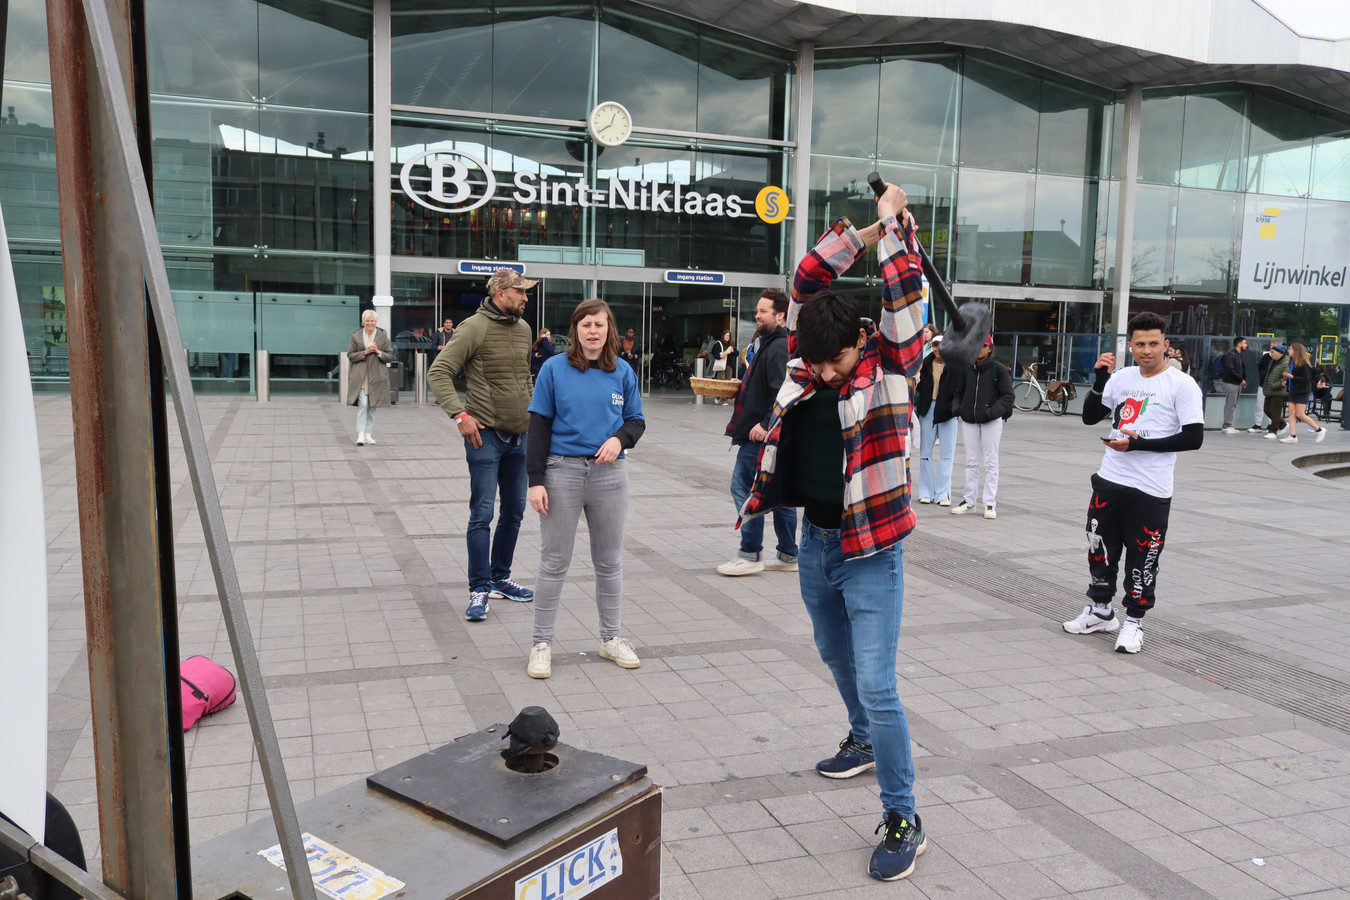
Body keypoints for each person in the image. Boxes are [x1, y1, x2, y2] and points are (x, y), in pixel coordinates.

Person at [738, 182, 928, 882]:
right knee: (831, 653)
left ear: (860, 340)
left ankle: (904, 815)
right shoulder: (807, 348)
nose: (820, 373)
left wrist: (896, 231)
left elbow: (906, 298)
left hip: (873, 551)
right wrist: (868, 234)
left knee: (880, 685)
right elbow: (809, 277)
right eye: (812, 363)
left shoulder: (891, 364)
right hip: (817, 545)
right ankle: (862, 736)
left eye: (834, 363)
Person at [1063, 311, 1204, 654]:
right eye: (1140, 344)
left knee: (1144, 558)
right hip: (1110, 479)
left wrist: (1138, 444)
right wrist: (1099, 379)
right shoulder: (1122, 377)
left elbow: (1193, 438)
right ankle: (1100, 612)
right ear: (1130, 345)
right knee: (1099, 547)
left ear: (1166, 345)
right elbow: (1089, 417)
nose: (1147, 350)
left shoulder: (1181, 385)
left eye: (1154, 343)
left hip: (1150, 489)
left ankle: (1134, 622)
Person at [524, 299, 646, 679]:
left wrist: (619, 439)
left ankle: (611, 639)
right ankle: (541, 644)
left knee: (609, 562)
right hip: (561, 472)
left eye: (600, 324)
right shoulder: (553, 369)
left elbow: (636, 421)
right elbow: (538, 426)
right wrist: (535, 481)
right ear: (575, 330)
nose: (593, 331)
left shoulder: (623, 372)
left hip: (610, 475)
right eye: (585, 324)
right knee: (554, 562)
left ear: (609, 329)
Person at [427, 267, 537, 622]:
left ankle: (500, 578)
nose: (525, 298)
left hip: (520, 438)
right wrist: (460, 416)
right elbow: (438, 372)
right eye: (521, 292)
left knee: (515, 512)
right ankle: (479, 588)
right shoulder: (473, 327)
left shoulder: (524, 329)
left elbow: (525, 378)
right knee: (482, 515)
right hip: (485, 437)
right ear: (501, 293)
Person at [716, 288, 798, 577]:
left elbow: (782, 390)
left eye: (763, 311)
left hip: (762, 437)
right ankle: (788, 555)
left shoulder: (777, 346)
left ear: (781, 315)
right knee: (779, 496)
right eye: (758, 310)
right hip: (773, 436)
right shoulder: (774, 343)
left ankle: (750, 553)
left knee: (745, 490)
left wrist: (764, 424)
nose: (757, 315)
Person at [949, 335, 1014, 519]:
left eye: (983, 346)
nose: (979, 349)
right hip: (969, 419)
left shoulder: (998, 369)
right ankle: (969, 501)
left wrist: (992, 413)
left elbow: (1008, 396)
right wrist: (958, 409)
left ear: (990, 348)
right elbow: (958, 392)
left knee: (991, 461)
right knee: (971, 461)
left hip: (991, 421)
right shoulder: (967, 369)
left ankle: (989, 503)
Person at [914, 335, 959, 506]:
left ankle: (942, 494)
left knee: (947, 454)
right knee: (925, 453)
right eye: (934, 345)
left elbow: (960, 388)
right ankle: (925, 491)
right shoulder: (924, 364)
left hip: (947, 411)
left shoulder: (956, 366)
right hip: (927, 409)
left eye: (941, 345)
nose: (937, 349)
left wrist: (955, 407)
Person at [345, 310, 392, 446]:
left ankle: (368, 434)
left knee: (372, 406)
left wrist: (378, 352)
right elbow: (350, 355)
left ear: (375, 322)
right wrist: (365, 352)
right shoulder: (356, 336)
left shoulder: (382, 336)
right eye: (367, 321)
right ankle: (360, 435)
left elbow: (389, 356)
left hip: (377, 376)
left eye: (372, 321)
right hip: (361, 376)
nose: (370, 323)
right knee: (363, 404)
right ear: (363, 322)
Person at [1282, 343, 1326, 444]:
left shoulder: (1303, 364)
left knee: (1300, 414)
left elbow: (1306, 379)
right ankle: (1292, 436)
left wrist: (1291, 377)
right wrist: (1287, 381)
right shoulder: (1292, 362)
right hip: (1293, 390)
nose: (1288, 351)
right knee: (1291, 413)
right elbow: (1295, 377)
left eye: (1290, 349)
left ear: (1296, 351)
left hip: (1302, 391)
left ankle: (1319, 430)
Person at [1259, 342, 1290, 440]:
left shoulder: (1286, 362)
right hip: (1269, 390)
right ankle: (1283, 424)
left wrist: (1275, 385)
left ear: (1279, 353)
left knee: (1275, 411)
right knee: (1266, 409)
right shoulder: (1273, 361)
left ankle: (1273, 431)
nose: (1271, 354)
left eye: (1272, 352)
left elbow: (1285, 378)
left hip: (1279, 391)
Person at [1217, 337, 1247, 434]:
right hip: (1231, 383)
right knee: (1230, 405)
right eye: (1244, 343)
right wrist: (1240, 379)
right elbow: (1230, 369)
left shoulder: (1238, 354)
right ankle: (1226, 426)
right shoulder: (1231, 354)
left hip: (1236, 383)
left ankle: (1228, 425)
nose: (1246, 345)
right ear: (1239, 344)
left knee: (1232, 404)